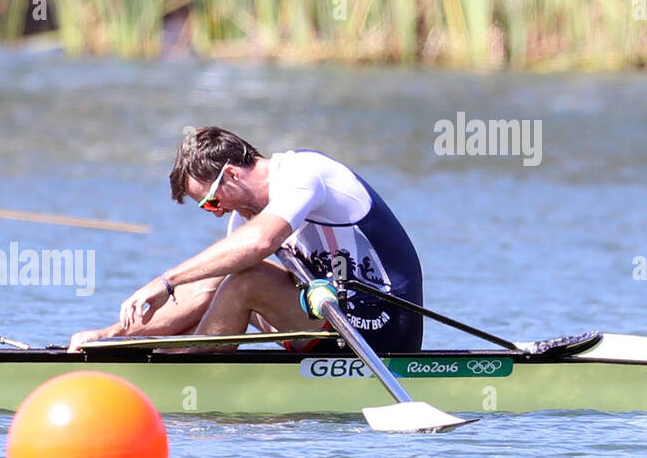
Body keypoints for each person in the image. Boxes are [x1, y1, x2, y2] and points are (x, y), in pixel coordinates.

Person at [68, 126, 423, 353]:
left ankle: (186, 377)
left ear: (232, 175)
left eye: (211, 201)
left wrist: (167, 280)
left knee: (245, 281)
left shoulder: (303, 174)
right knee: (220, 279)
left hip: (383, 327)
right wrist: (111, 334)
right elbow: (208, 290)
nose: (216, 212)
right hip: (329, 322)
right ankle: (129, 350)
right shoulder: (244, 218)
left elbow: (261, 243)